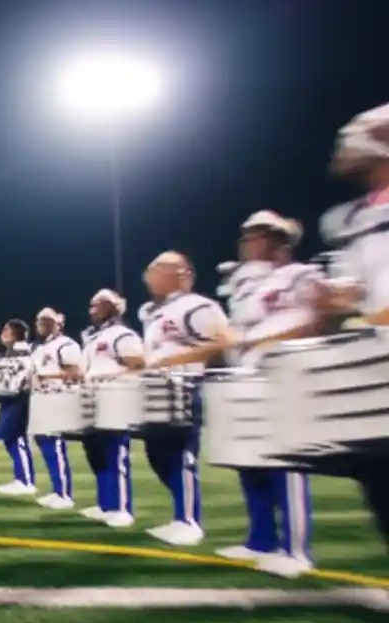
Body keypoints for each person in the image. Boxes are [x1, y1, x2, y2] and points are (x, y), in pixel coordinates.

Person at [212, 211, 317, 577]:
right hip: (248, 377)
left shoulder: (301, 276)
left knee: (285, 465)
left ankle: (297, 550)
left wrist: (255, 339)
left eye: (253, 237)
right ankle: (260, 540)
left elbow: (311, 324)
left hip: (284, 375)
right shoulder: (247, 285)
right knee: (250, 463)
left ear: (276, 240)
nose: (246, 245)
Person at [315, 101, 389, 547]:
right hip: (375, 366)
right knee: (378, 478)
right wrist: (333, 303)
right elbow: (356, 295)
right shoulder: (351, 218)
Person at [141, 251, 229, 546]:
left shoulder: (198, 306)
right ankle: (181, 514)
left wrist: (176, 362)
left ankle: (190, 521)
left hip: (187, 386)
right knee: (157, 455)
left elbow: (221, 344)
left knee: (182, 455)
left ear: (182, 273)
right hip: (158, 392)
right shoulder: (153, 313)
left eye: (157, 267)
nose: (149, 273)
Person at [79, 289, 145, 528]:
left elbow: (137, 366)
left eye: (95, 305)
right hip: (93, 399)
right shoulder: (93, 338)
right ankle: (105, 503)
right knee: (96, 452)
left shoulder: (122, 334)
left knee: (115, 452)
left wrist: (110, 376)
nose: (91, 310)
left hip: (115, 398)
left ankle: (123, 508)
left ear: (109, 306)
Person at [28, 307, 83, 509]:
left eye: (46, 321)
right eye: (39, 321)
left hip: (57, 397)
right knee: (45, 445)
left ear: (57, 323)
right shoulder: (39, 348)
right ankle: (56, 489)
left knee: (55, 446)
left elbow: (75, 373)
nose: (41, 325)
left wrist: (46, 376)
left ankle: (64, 493)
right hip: (41, 398)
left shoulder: (67, 344)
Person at [0, 319, 36, 496]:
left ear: (15, 334)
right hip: (13, 399)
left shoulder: (20, 351)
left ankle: (25, 481)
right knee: (11, 438)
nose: (2, 334)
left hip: (19, 399)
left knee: (15, 438)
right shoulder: (14, 351)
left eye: (6, 330)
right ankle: (22, 478)